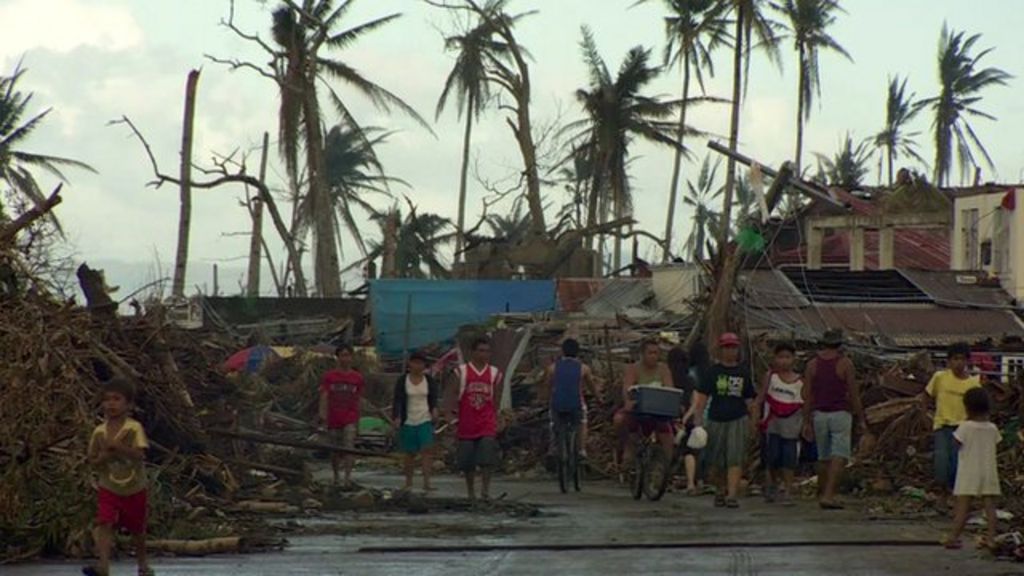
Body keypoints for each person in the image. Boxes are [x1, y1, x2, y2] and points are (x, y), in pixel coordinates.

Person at [83, 378, 153, 576]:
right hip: (109, 485)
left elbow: (140, 455)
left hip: (134, 486)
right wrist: (105, 456)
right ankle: (103, 565)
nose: (111, 404)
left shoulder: (134, 428)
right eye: (106, 400)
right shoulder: (99, 432)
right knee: (104, 522)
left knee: (137, 530)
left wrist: (120, 448)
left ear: (128, 404)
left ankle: (143, 565)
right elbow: (92, 461)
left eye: (116, 399)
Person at [691, 332, 756, 509]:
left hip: (738, 418)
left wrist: (753, 422)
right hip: (715, 418)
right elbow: (703, 398)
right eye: (727, 347)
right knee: (715, 460)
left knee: (735, 458)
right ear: (721, 350)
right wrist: (698, 420)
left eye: (733, 347)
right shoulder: (712, 372)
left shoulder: (743, 372)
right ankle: (720, 489)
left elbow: (750, 399)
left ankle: (732, 495)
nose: (730, 351)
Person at [804, 329, 866, 510]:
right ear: (840, 345)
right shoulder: (845, 364)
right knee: (839, 455)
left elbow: (807, 395)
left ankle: (822, 492)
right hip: (840, 414)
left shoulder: (812, 365)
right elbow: (854, 394)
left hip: (819, 415)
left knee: (823, 456)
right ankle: (829, 495)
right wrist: (861, 418)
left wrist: (806, 420)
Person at [944, 388, 1001, 550]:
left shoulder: (965, 427)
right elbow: (996, 442)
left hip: (968, 473)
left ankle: (953, 538)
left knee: (963, 508)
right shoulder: (993, 428)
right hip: (988, 472)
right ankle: (991, 539)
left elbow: (955, 444)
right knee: (990, 508)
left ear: (967, 407)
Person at [921, 342, 981, 495]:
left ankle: (954, 495)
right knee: (941, 461)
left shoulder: (973, 384)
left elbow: (977, 409)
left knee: (956, 464)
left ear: (968, 361)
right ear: (949, 361)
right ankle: (942, 493)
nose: (958, 363)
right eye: (955, 359)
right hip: (942, 426)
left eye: (962, 359)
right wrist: (925, 415)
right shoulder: (940, 378)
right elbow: (927, 396)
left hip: (962, 429)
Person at [613, 339, 674, 473]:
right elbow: (627, 388)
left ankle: (665, 469)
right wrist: (628, 402)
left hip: (658, 411)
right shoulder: (633, 369)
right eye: (650, 353)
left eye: (656, 353)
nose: (653, 356)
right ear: (642, 354)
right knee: (619, 420)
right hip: (637, 410)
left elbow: (669, 389)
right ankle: (627, 445)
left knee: (668, 437)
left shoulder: (663, 369)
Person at [453, 337, 503, 501]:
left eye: (487, 351)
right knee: (468, 462)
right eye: (480, 350)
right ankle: (471, 492)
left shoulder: (494, 373)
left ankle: (485, 491)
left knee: (487, 458)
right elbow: (451, 395)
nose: (484, 354)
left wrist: (498, 417)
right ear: (472, 352)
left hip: (486, 422)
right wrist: (448, 415)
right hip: (466, 423)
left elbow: (496, 399)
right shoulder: (462, 372)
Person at [755, 342, 804, 505]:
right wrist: (755, 417)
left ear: (793, 359)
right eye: (780, 357)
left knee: (789, 460)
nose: (784, 361)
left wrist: (806, 424)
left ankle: (788, 490)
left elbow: (804, 404)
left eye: (787, 357)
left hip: (791, 427)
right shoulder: (771, 377)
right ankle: (771, 486)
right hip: (772, 425)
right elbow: (761, 397)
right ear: (775, 359)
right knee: (772, 457)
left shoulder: (800, 382)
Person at [392, 351, 440, 492]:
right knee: (410, 453)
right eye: (415, 362)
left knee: (427, 450)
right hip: (408, 420)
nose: (417, 366)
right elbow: (398, 400)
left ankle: (427, 482)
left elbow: (433, 398)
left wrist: (435, 410)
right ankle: (408, 483)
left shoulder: (429, 381)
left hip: (424, 418)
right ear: (409, 364)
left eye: (420, 363)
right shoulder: (403, 380)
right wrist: (397, 416)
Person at [319, 344, 365, 487]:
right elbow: (324, 395)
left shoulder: (357, 378)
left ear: (352, 357)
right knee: (335, 449)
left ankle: (347, 478)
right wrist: (322, 414)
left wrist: (358, 419)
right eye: (342, 355)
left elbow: (359, 399)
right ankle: (336, 476)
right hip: (333, 417)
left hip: (350, 417)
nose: (345, 358)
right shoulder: (329, 377)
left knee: (349, 447)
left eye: (348, 355)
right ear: (337, 357)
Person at [545, 338, 599, 459]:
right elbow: (592, 387)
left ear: (562, 351)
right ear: (577, 352)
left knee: (553, 423)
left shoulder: (552, 368)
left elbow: (548, 386)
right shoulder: (584, 368)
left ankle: (553, 448)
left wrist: (545, 400)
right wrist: (598, 398)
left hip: (557, 404)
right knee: (582, 423)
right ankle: (581, 450)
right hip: (576, 404)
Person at [670, 347, 700, 495]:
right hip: (686, 421)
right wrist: (686, 418)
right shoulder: (690, 380)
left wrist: (676, 419)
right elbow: (695, 402)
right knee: (689, 452)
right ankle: (690, 484)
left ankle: (666, 480)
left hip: (670, 420)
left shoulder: (668, 379)